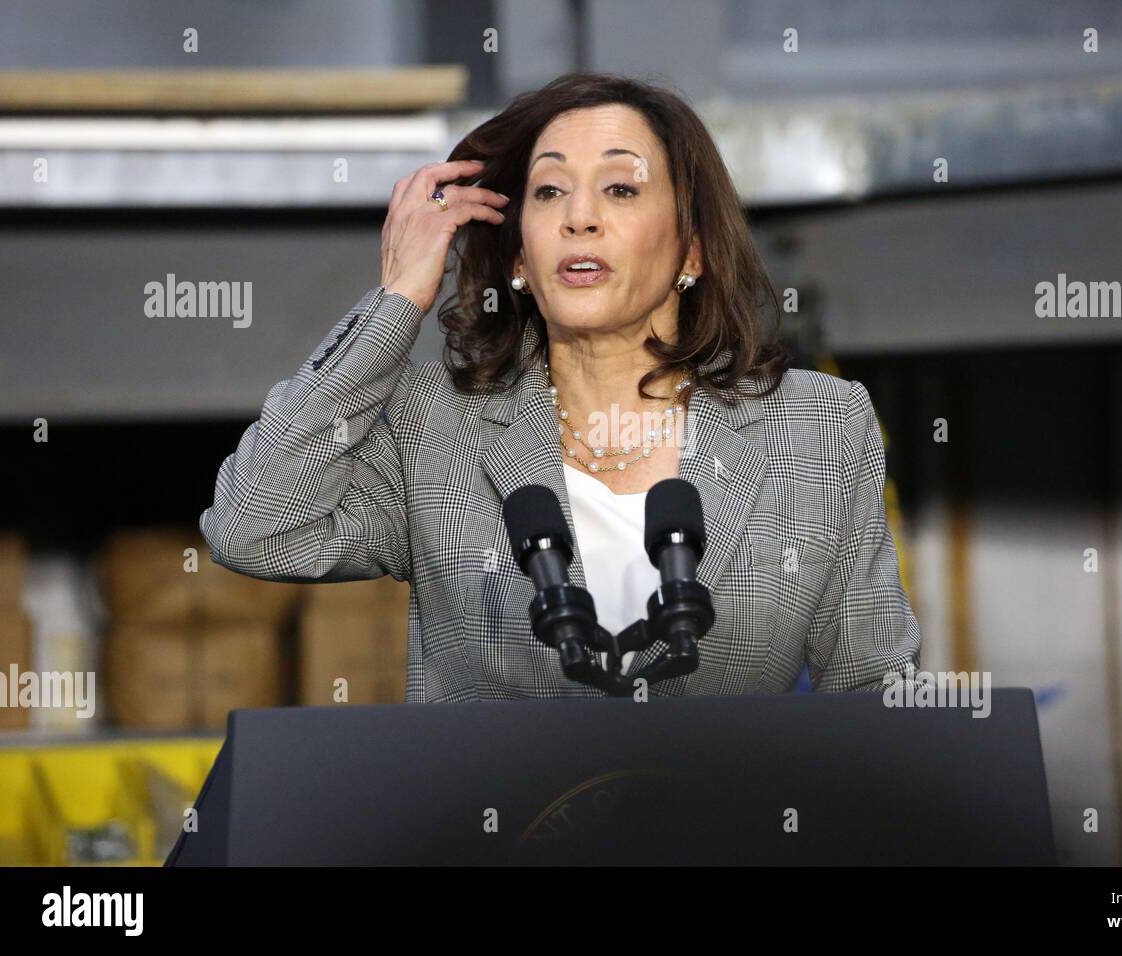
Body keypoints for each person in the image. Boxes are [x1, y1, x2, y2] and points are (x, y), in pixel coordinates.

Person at [200, 71, 921, 702]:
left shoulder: (819, 426)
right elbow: (256, 529)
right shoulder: (434, 427)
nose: (580, 217)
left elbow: (873, 695)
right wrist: (397, 302)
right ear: (520, 254)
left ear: (692, 247)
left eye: (620, 188)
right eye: (549, 191)